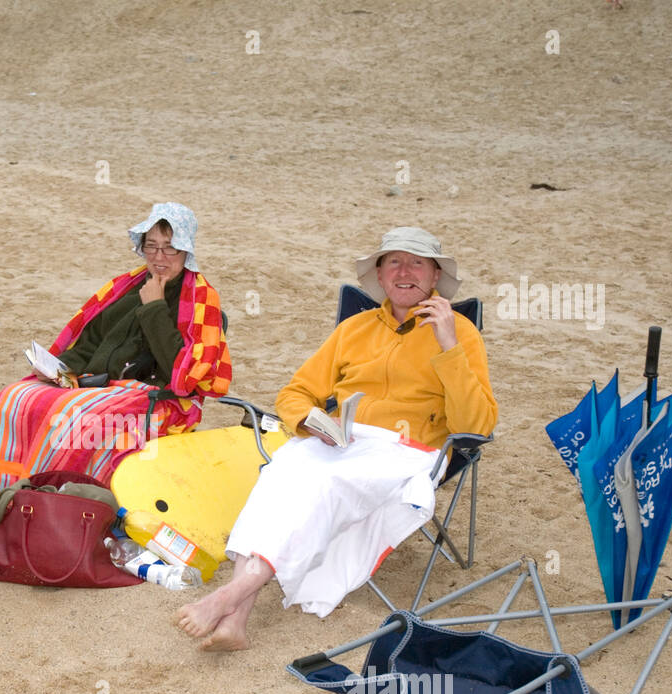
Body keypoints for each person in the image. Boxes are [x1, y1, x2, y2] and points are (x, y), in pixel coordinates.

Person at [175, 227, 497, 652]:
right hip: (340, 438)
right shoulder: (355, 328)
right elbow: (295, 392)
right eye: (393, 262)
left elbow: (477, 423)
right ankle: (237, 623)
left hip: (407, 450)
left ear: (435, 276)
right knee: (279, 474)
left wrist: (449, 346)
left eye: (417, 262)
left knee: (324, 486)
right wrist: (310, 423)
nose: (405, 271)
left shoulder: (458, 333)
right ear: (380, 276)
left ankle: (230, 596)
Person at [0, 202, 231, 505]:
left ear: (186, 251)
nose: (160, 258)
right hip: (97, 384)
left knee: (79, 420)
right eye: (152, 246)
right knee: (15, 397)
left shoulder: (202, 300)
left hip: (158, 396)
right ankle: (2, 499)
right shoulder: (126, 288)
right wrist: (61, 369)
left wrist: (155, 308)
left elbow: (183, 375)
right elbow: (91, 340)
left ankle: (58, 504)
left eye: (170, 248)